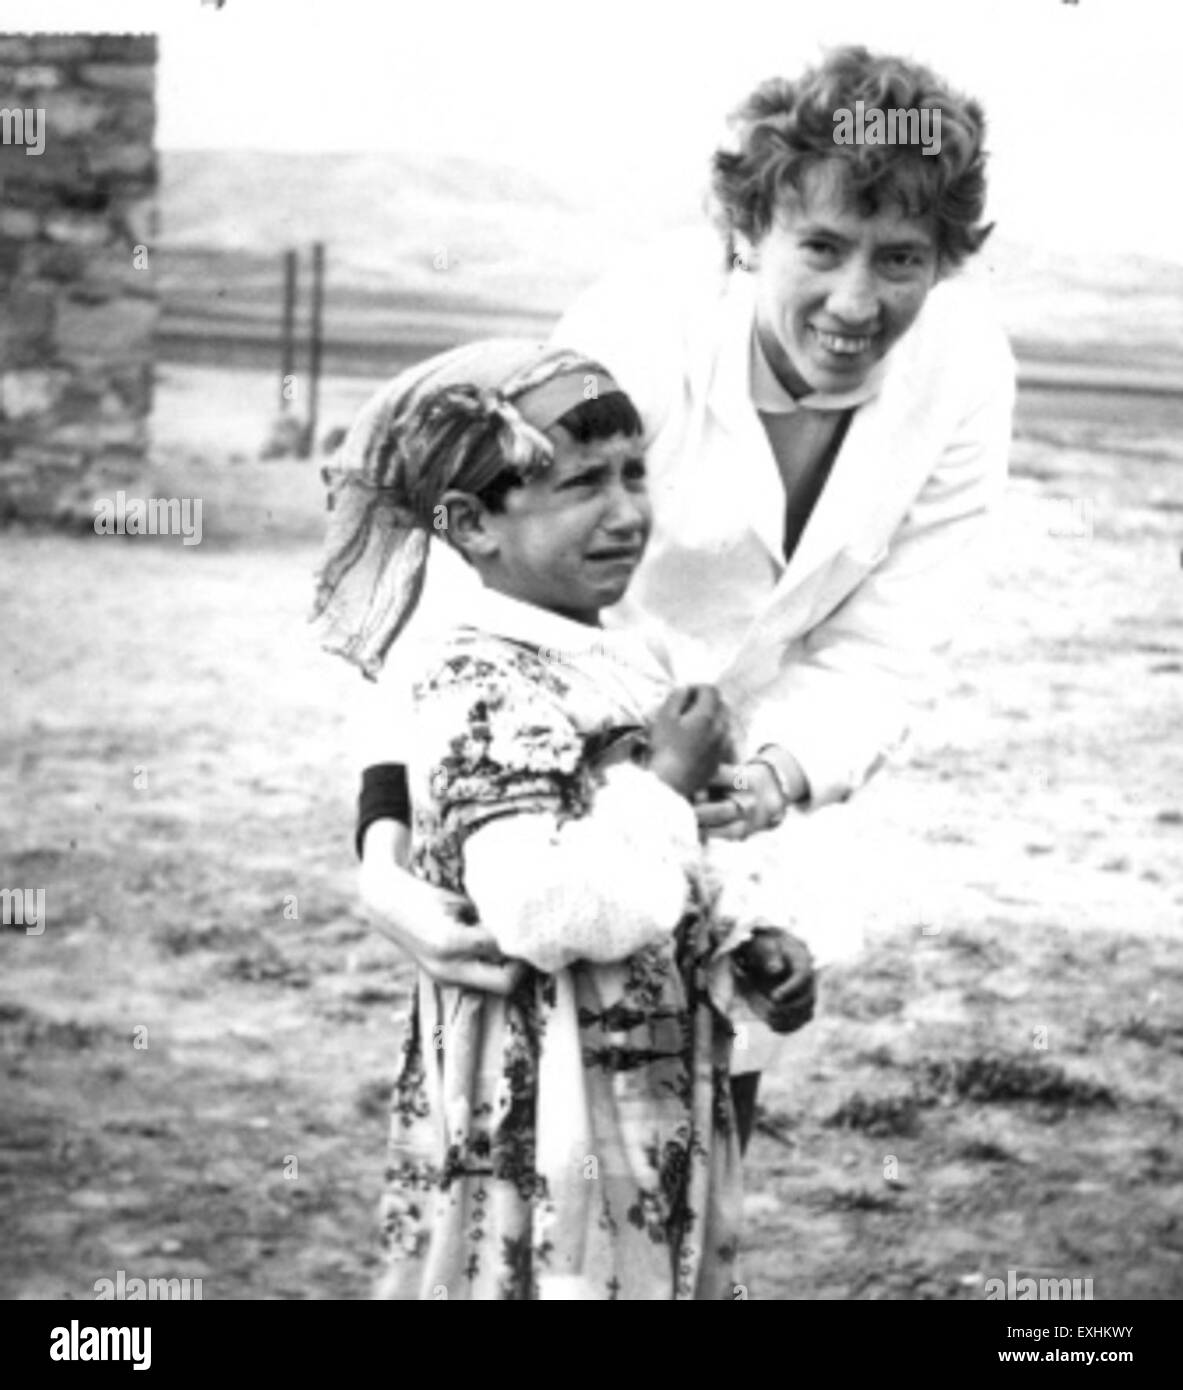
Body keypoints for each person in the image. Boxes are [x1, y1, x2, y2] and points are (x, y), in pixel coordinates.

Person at [347, 44, 1015, 1149]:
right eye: (822, 246)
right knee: (539, 1141)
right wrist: (381, 852)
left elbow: (889, 647)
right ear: (750, 232)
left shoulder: (966, 371)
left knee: (705, 1138)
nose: (857, 301)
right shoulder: (640, 323)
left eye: (900, 257)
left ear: (945, 259)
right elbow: (469, 589)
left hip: (748, 811)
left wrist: (769, 779)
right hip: (562, 791)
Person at [313, 339, 806, 1300]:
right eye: (581, 484)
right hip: (549, 1089)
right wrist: (661, 782)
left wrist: (744, 936)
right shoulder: (473, 681)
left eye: (633, 474)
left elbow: (687, 846)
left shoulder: (634, 651)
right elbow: (541, 911)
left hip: (648, 1065)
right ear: (470, 524)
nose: (626, 512)